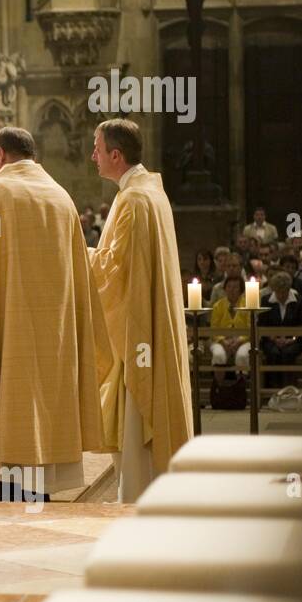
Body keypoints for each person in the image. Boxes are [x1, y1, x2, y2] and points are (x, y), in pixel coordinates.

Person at [0, 126, 108, 502]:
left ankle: (7, 484)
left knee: (8, 392)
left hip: (6, 324)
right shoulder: (61, 199)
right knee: (46, 395)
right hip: (54, 329)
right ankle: (42, 483)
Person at [87, 119, 192, 503]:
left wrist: (76, 255)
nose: (92, 156)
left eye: (97, 149)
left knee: (134, 417)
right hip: (147, 325)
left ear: (116, 155)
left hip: (137, 332)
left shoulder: (133, 199)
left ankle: (139, 498)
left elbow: (116, 270)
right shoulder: (150, 193)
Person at [260, 270, 302, 388]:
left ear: (289, 289)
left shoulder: (299, 301)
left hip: (294, 341)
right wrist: (274, 339)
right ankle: (272, 389)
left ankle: (289, 389)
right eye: (278, 292)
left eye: (284, 292)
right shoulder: (266, 301)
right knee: (273, 353)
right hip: (271, 340)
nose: (281, 295)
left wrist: (292, 339)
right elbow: (263, 324)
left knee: (288, 353)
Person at [209, 273, 252, 376]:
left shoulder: (248, 305)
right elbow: (214, 328)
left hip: (244, 340)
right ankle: (219, 386)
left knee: (242, 356)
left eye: (235, 287)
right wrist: (223, 341)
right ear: (225, 289)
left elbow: (250, 327)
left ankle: (241, 386)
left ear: (241, 289)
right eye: (229, 287)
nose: (232, 290)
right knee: (218, 355)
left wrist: (239, 341)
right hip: (221, 340)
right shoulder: (218, 306)